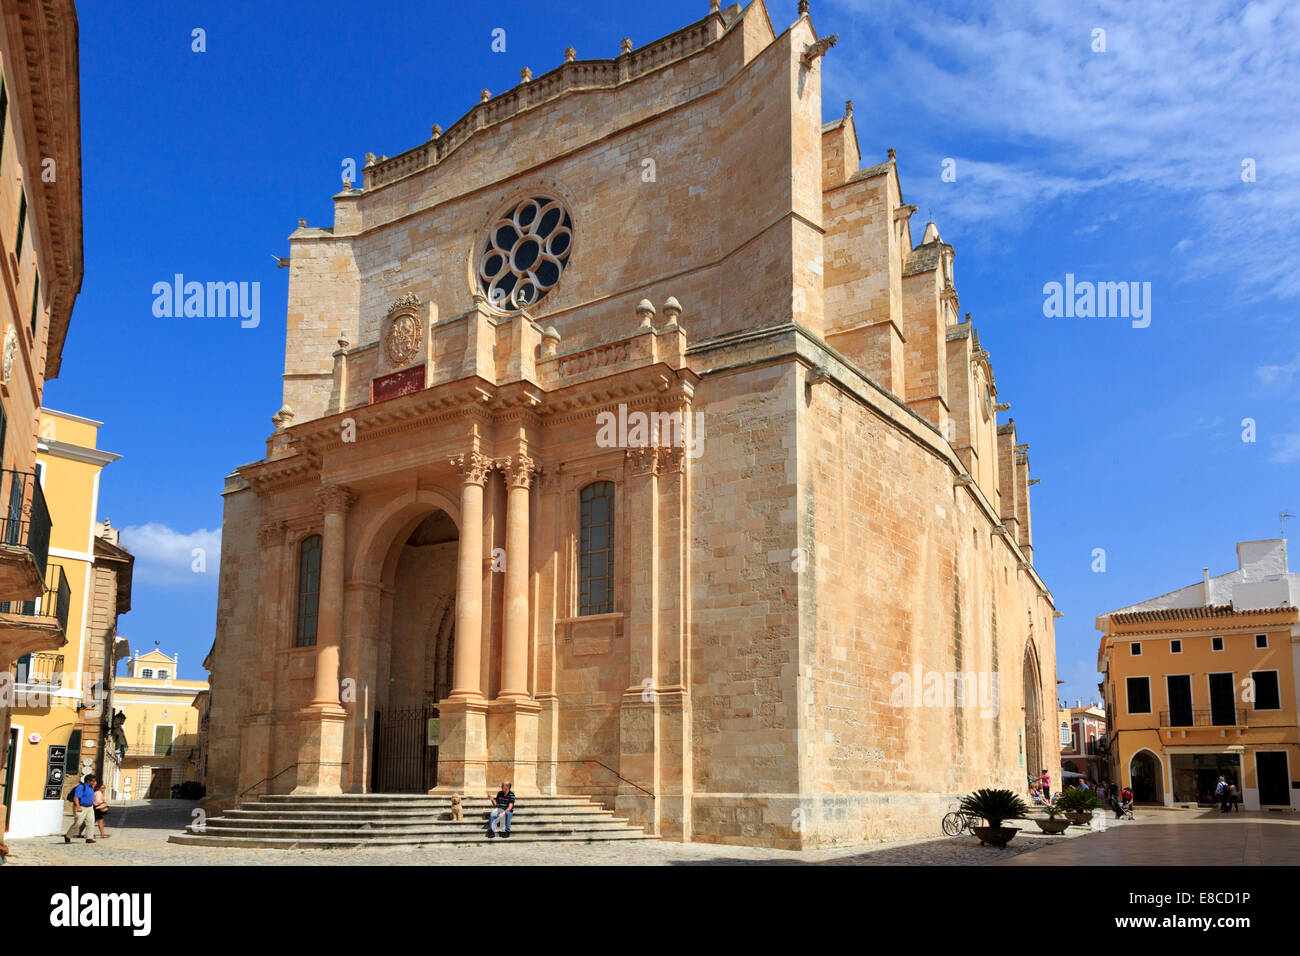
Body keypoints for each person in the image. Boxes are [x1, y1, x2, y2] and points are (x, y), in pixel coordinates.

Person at [64, 774, 98, 844]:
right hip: (81, 807)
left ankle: (89, 838)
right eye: (93, 781)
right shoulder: (81, 787)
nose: (95, 782)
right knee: (78, 822)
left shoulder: (90, 787)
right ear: (88, 781)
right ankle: (68, 836)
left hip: (90, 807)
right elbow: (76, 797)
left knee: (91, 822)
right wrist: (78, 807)